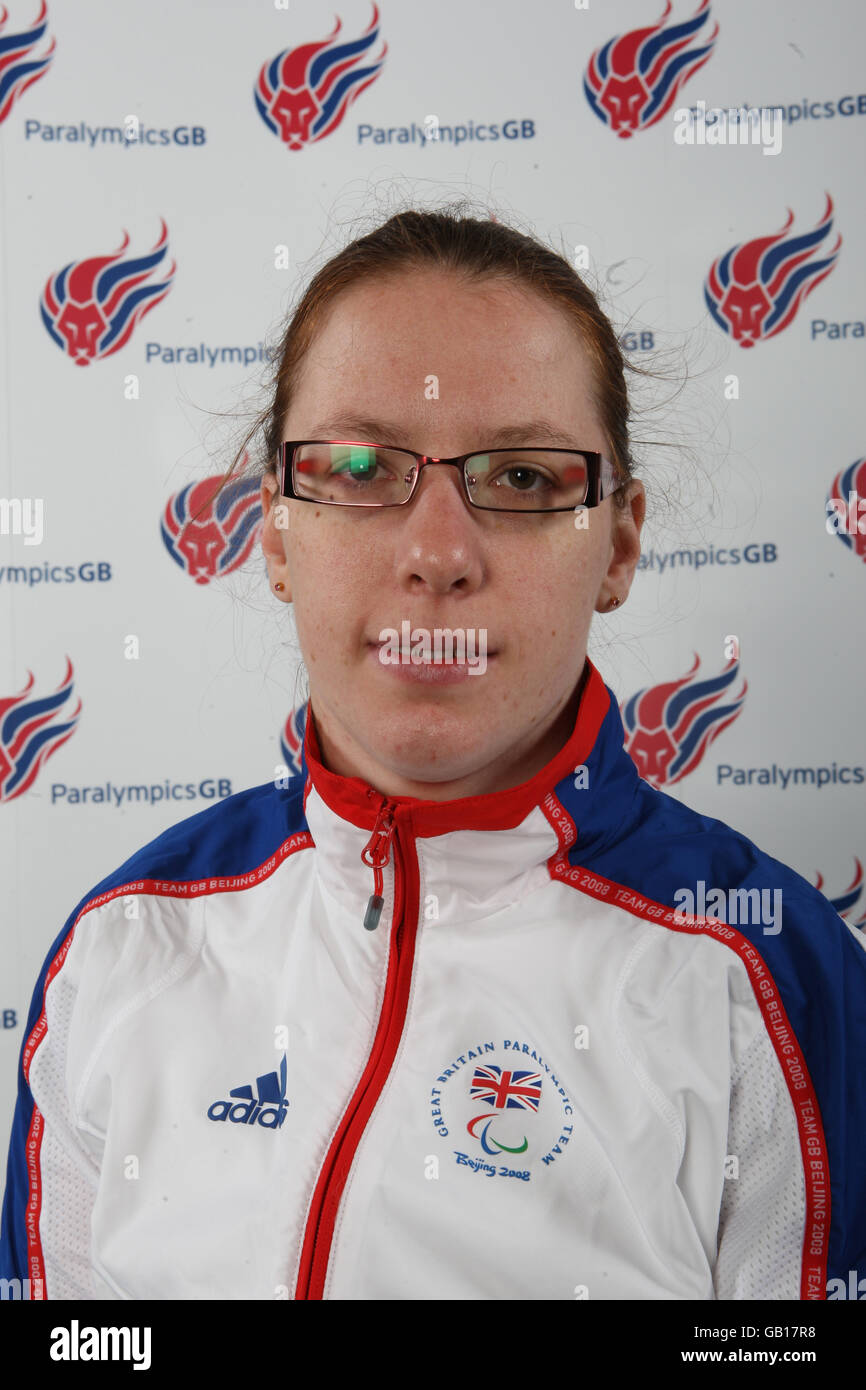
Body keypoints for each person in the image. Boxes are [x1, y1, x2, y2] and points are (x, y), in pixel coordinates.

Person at [1, 208, 864, 1302]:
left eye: (520, 479)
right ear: (272, 532)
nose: (437, 553)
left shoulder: (770, 977)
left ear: (619, 543)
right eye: (359, 466)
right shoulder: (122, 946)